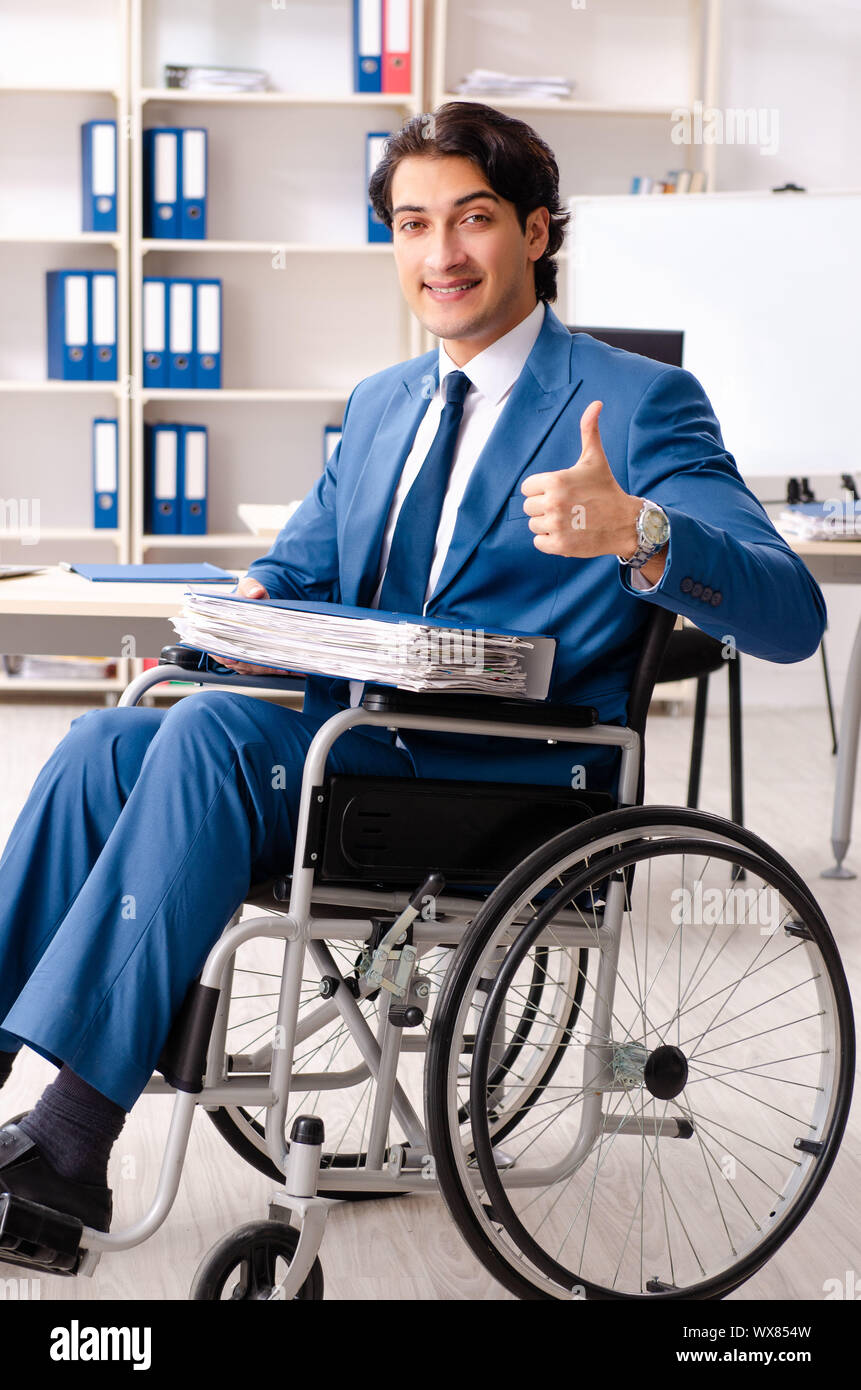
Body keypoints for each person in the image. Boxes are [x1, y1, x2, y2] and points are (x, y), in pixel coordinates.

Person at [0, 102, 825, 1236]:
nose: (440, 255)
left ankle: (71, 1140)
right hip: (362, 748)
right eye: (413, 224)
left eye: (473, 220)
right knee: (105, 741)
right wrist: (247, 605)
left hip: (510, 782)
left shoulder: (637, 403)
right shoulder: (384, 403)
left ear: (537, 232)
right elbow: (297, 568)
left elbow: (790, 614)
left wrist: (638, 529)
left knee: (206, 740)